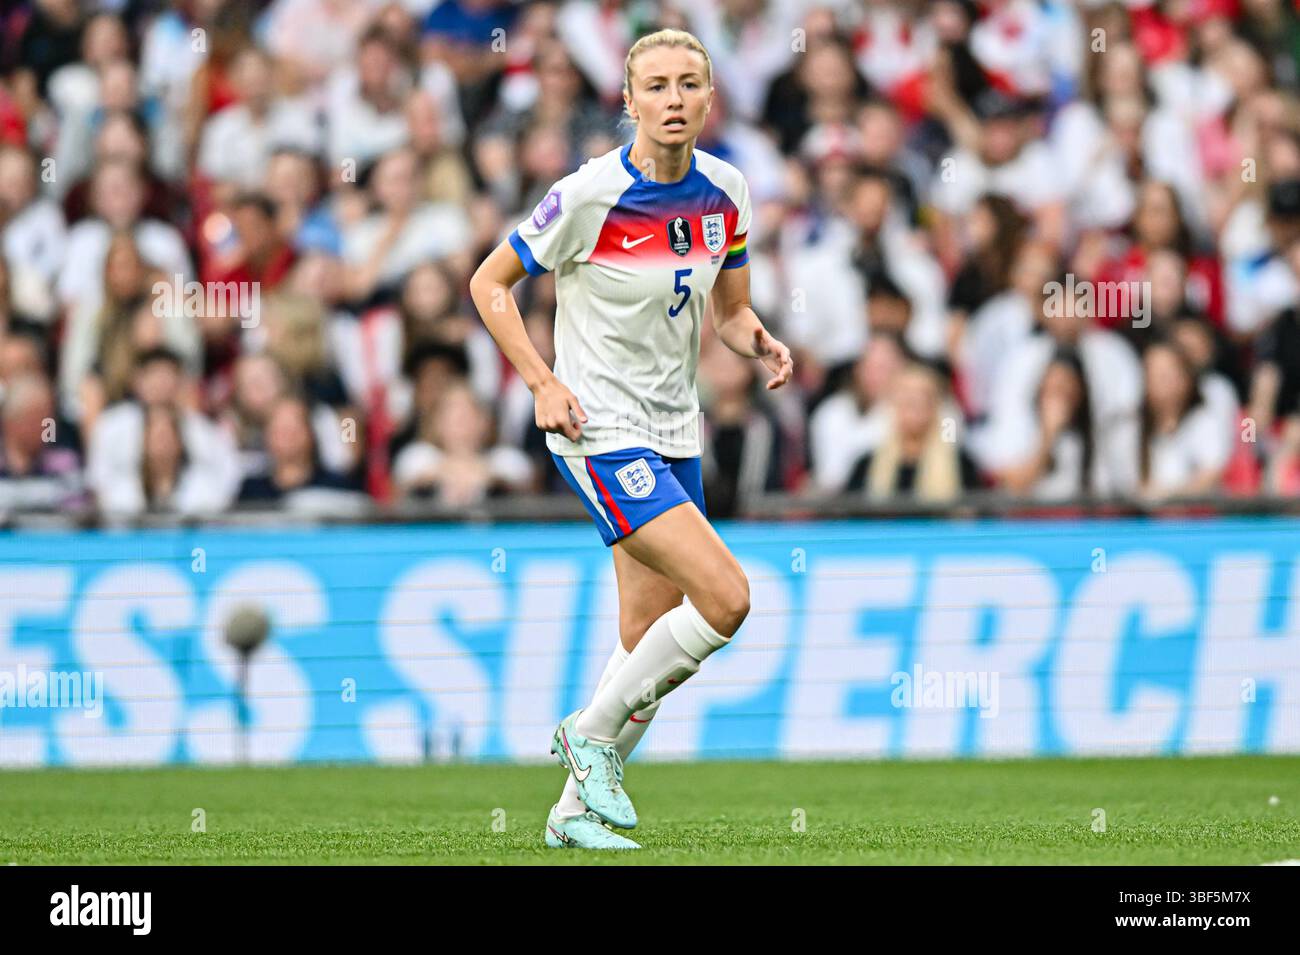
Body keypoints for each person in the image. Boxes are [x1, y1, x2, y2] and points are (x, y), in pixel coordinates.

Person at [470, 29, 792, 850]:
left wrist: (760, 342)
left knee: (646, 640)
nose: (673, 99)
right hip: (600, 429)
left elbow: (728, 312)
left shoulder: (727, 192)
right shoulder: (588, 195)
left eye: (689, 84)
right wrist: (542, 381)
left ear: (711, 97)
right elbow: (490, 283)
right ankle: (590, 735)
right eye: (656, 86)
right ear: (628, 100)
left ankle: (572, 810)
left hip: (675, 426)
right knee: (726, 597)